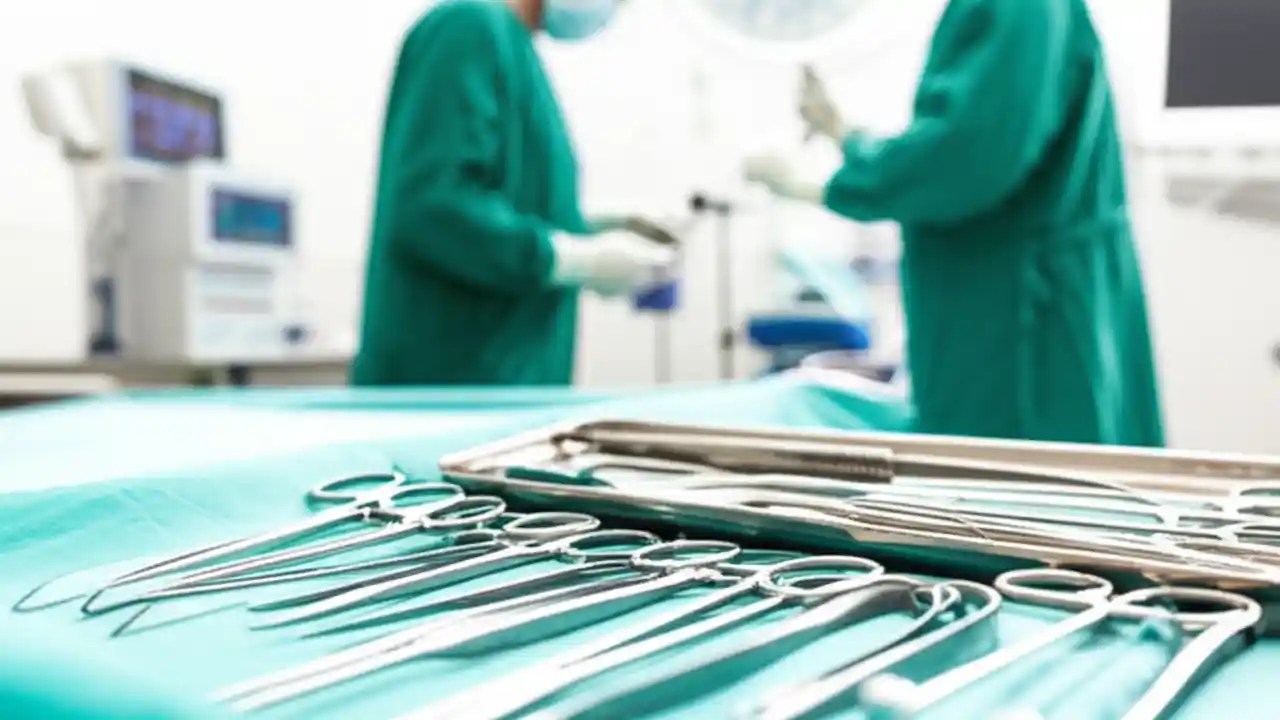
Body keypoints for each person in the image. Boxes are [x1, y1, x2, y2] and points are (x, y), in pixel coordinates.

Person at [745, 0, 1164, 447]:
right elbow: (976, 128)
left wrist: (821, 188)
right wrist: (844, 134)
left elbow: (964, 159)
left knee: (1015, 472)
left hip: (1020, 320)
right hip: (1023, 297)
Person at [353, 0, 675, 386]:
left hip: (504, 383)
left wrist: (597, 230)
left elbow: (512, 202)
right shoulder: (468, 25)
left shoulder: (513, 47)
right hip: (451, 385)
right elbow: (434, 206)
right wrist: (574, 259)